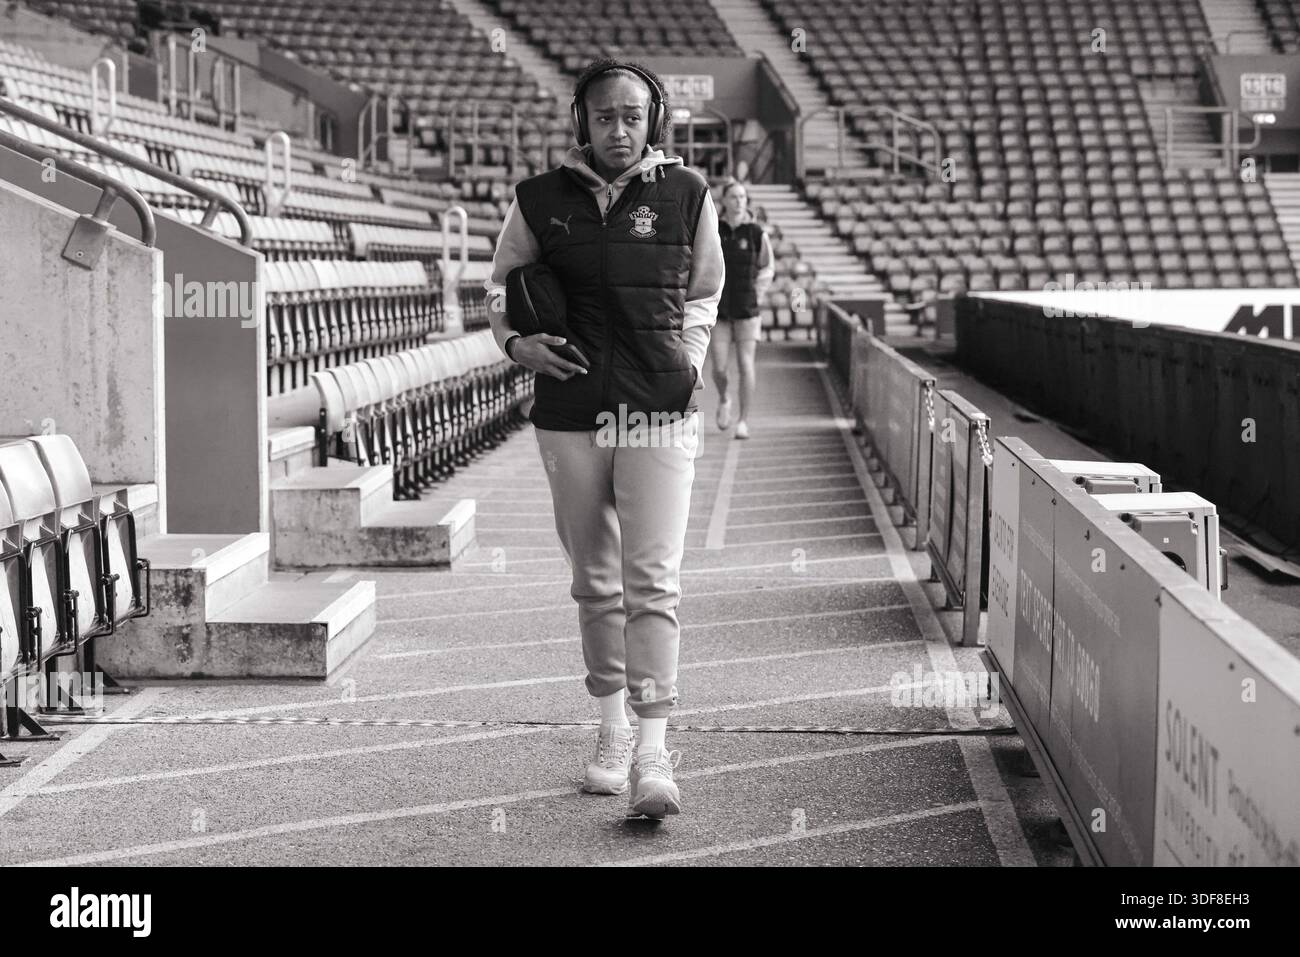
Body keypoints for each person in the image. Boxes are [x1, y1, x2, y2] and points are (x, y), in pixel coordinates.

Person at [484, 57, 725, 819]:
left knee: (653, 579)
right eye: (603, 115)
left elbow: (706, 290)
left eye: (632, 115)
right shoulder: (539, 200)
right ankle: (611, 728)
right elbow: (500, 285)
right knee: (595, 578)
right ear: (580, 121)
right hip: (570, 413)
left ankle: (655, 746)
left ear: (653, 119)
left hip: (658, 410)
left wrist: (686, 362)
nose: (618, 129)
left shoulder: (687, 194)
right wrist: (514, 345)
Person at [711, 179, 774, 439]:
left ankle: (743, 421)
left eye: (742, 197)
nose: (739, 201)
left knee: (746, 366)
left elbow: (768, 267)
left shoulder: (756, 233)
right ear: (724, 201)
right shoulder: (713, 229)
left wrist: (756, 293)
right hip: (720, 311)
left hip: (748, 311)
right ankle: (724, 398)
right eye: (734, 197)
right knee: (719, 368)